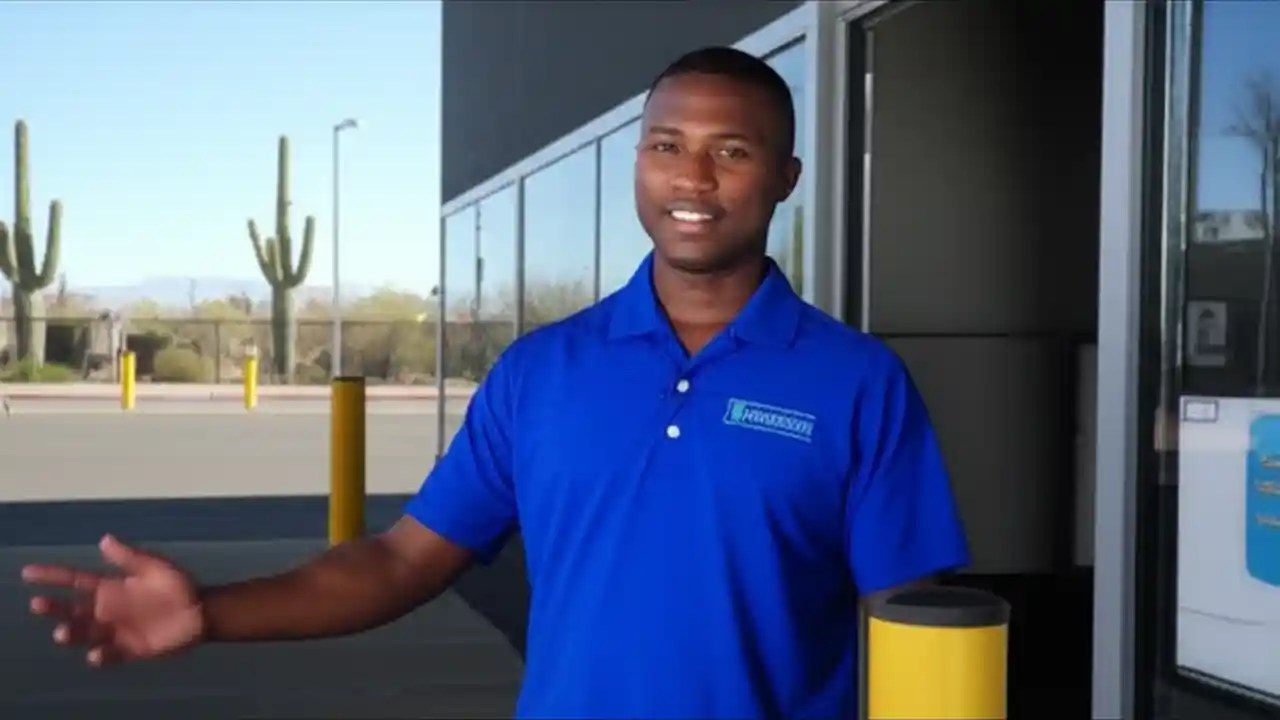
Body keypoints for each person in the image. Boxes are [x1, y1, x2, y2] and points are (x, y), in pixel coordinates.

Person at [21, 46, 970, 718]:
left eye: (732, 149)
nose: (693, 175)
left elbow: (916, 628)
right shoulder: (541, 373)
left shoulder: (856, 384)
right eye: (666, 143)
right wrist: (213, 612)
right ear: (639, 160)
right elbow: (400, 563)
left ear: (785, 176)